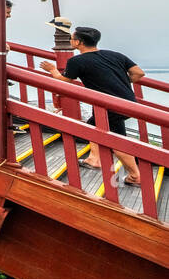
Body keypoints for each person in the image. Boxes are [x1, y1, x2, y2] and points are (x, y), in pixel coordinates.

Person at [40, 26, 146, 185]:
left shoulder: (77, 61)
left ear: (78, 42)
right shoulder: (115, 55)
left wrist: (53, 70)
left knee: (114, 139)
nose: (71, 41)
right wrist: (121, 82)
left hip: (111, 105)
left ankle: (134, 175)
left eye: (72, 38)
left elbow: (64, 82)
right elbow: (139, 73)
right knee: (95, 126)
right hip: (129, 102)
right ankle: (95, 159)